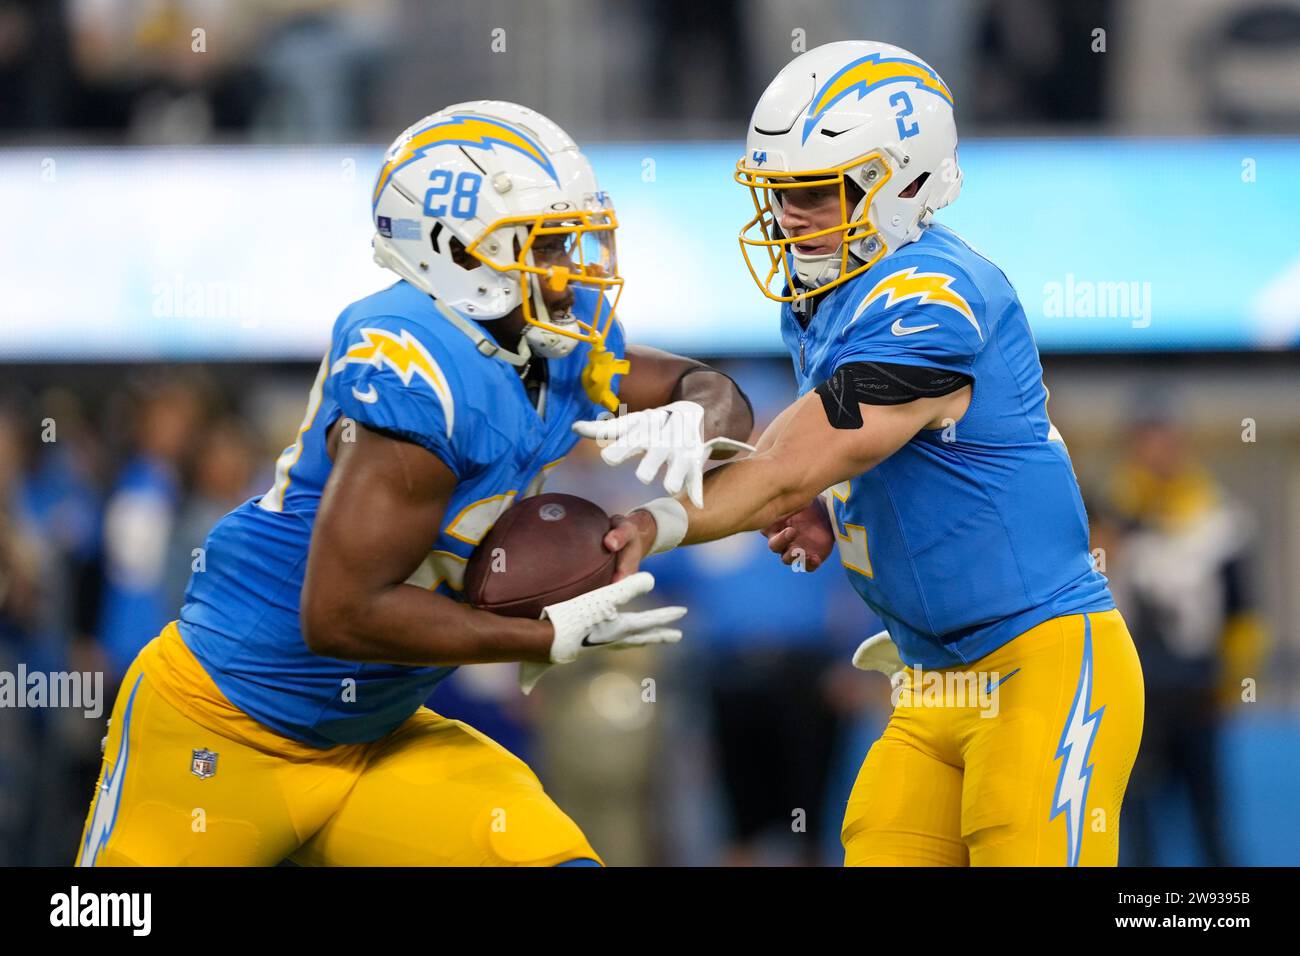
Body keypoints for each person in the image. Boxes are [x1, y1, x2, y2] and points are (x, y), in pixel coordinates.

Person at [76, 101, 753, 867]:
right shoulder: (421, 373)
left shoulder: (554, 337)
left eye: (570, 240)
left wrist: (703, 414)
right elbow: (339, 614)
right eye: (547, 244)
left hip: (378, 737)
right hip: (227, 727)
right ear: (454, 252)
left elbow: (695, 381)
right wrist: (543, 637)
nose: (573, 269)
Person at [590, 41, 1145, 866]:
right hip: (930, 682)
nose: (788, 217)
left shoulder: (936, 297)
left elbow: (791, 462)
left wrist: (653, 523)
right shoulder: (829, 295)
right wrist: (839, 513)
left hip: (1042, 666)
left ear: (904, 181)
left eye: (812, 191)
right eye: (777, 194)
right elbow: (872, 455)